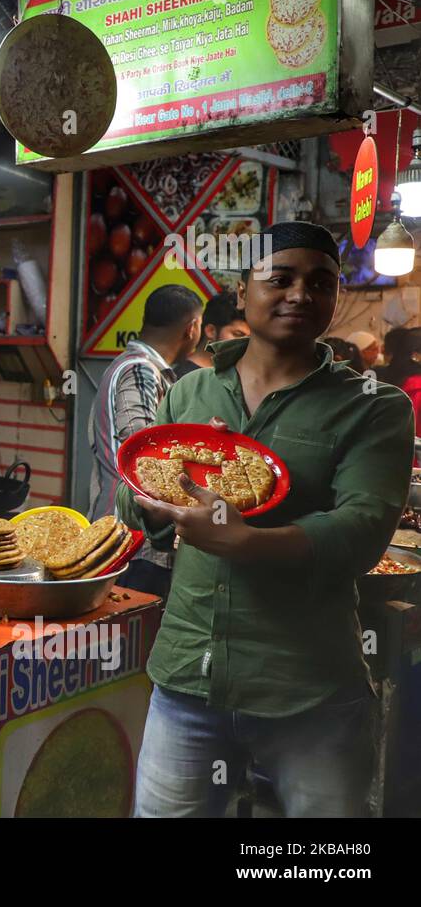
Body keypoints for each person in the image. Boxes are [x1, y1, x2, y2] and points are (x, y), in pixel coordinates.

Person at [118, 221, 413, 817]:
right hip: (188, 679)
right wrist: (159, 488)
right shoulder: (189, 394)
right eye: (279, 278)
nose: (300, 294)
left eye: (321, 283)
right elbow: (139, 513)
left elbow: (361, 529)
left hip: (308, 688)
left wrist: (245, 541)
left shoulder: (374, 407)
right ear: (243, 287)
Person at [88, 284, 203, 597]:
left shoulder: (135, 366)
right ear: (192, 328)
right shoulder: (140, 371)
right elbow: (144, 454)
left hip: (125, 536)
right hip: (132, 540)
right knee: (132, 635)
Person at [175, 289, 248, 376]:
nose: (245, 342)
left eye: (250, 338)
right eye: (238, 334)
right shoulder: (181, 378)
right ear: (211, 331)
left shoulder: (237, 377)